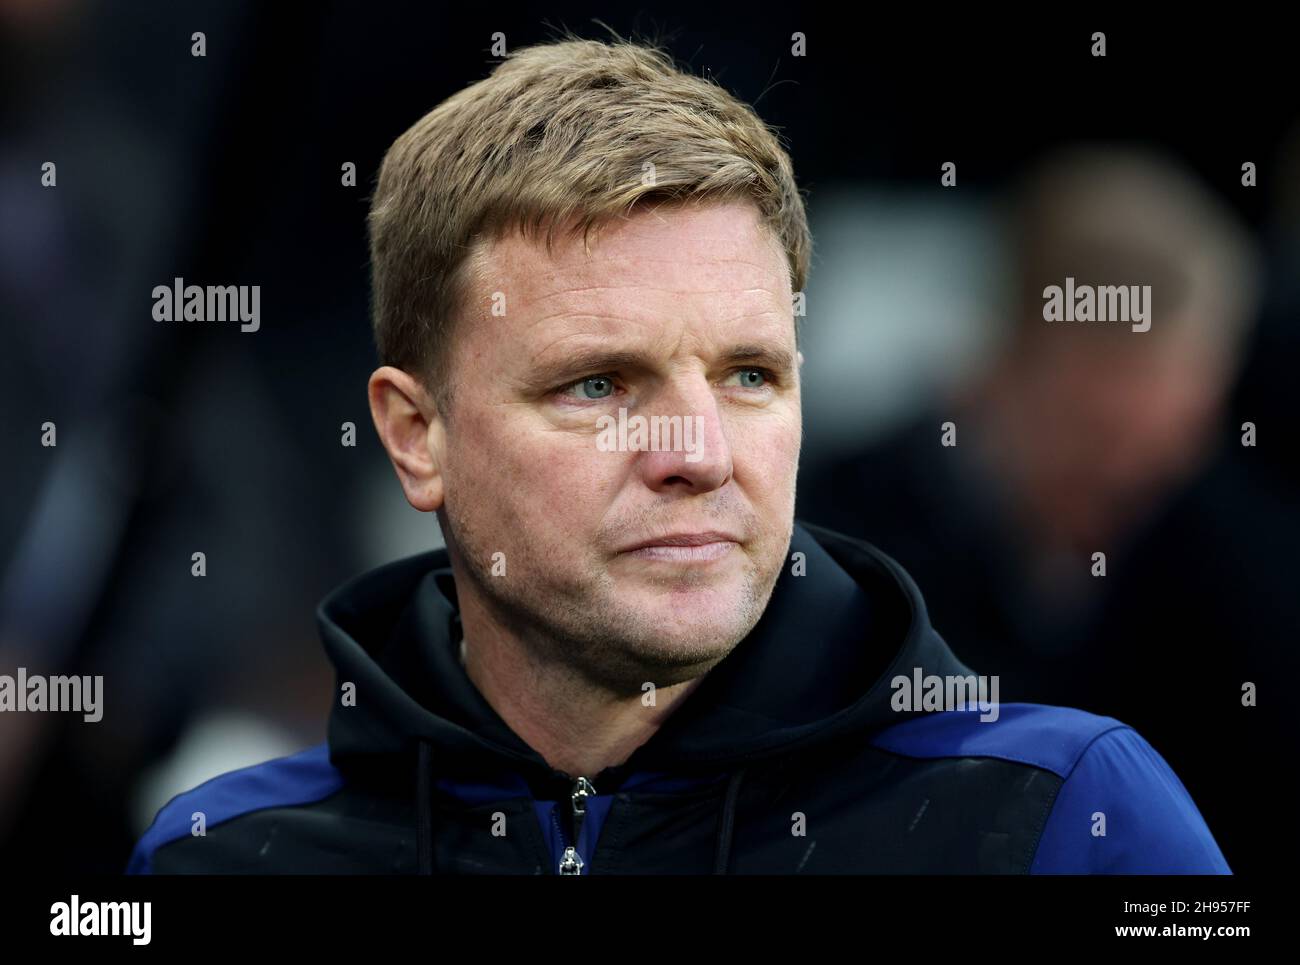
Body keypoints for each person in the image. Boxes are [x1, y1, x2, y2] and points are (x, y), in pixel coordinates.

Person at [127, 37, 1228, 874]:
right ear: (418, 437)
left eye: (750, 374)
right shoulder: (224, 853)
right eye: (597, 385)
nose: (699, 453)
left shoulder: (1070, 813)